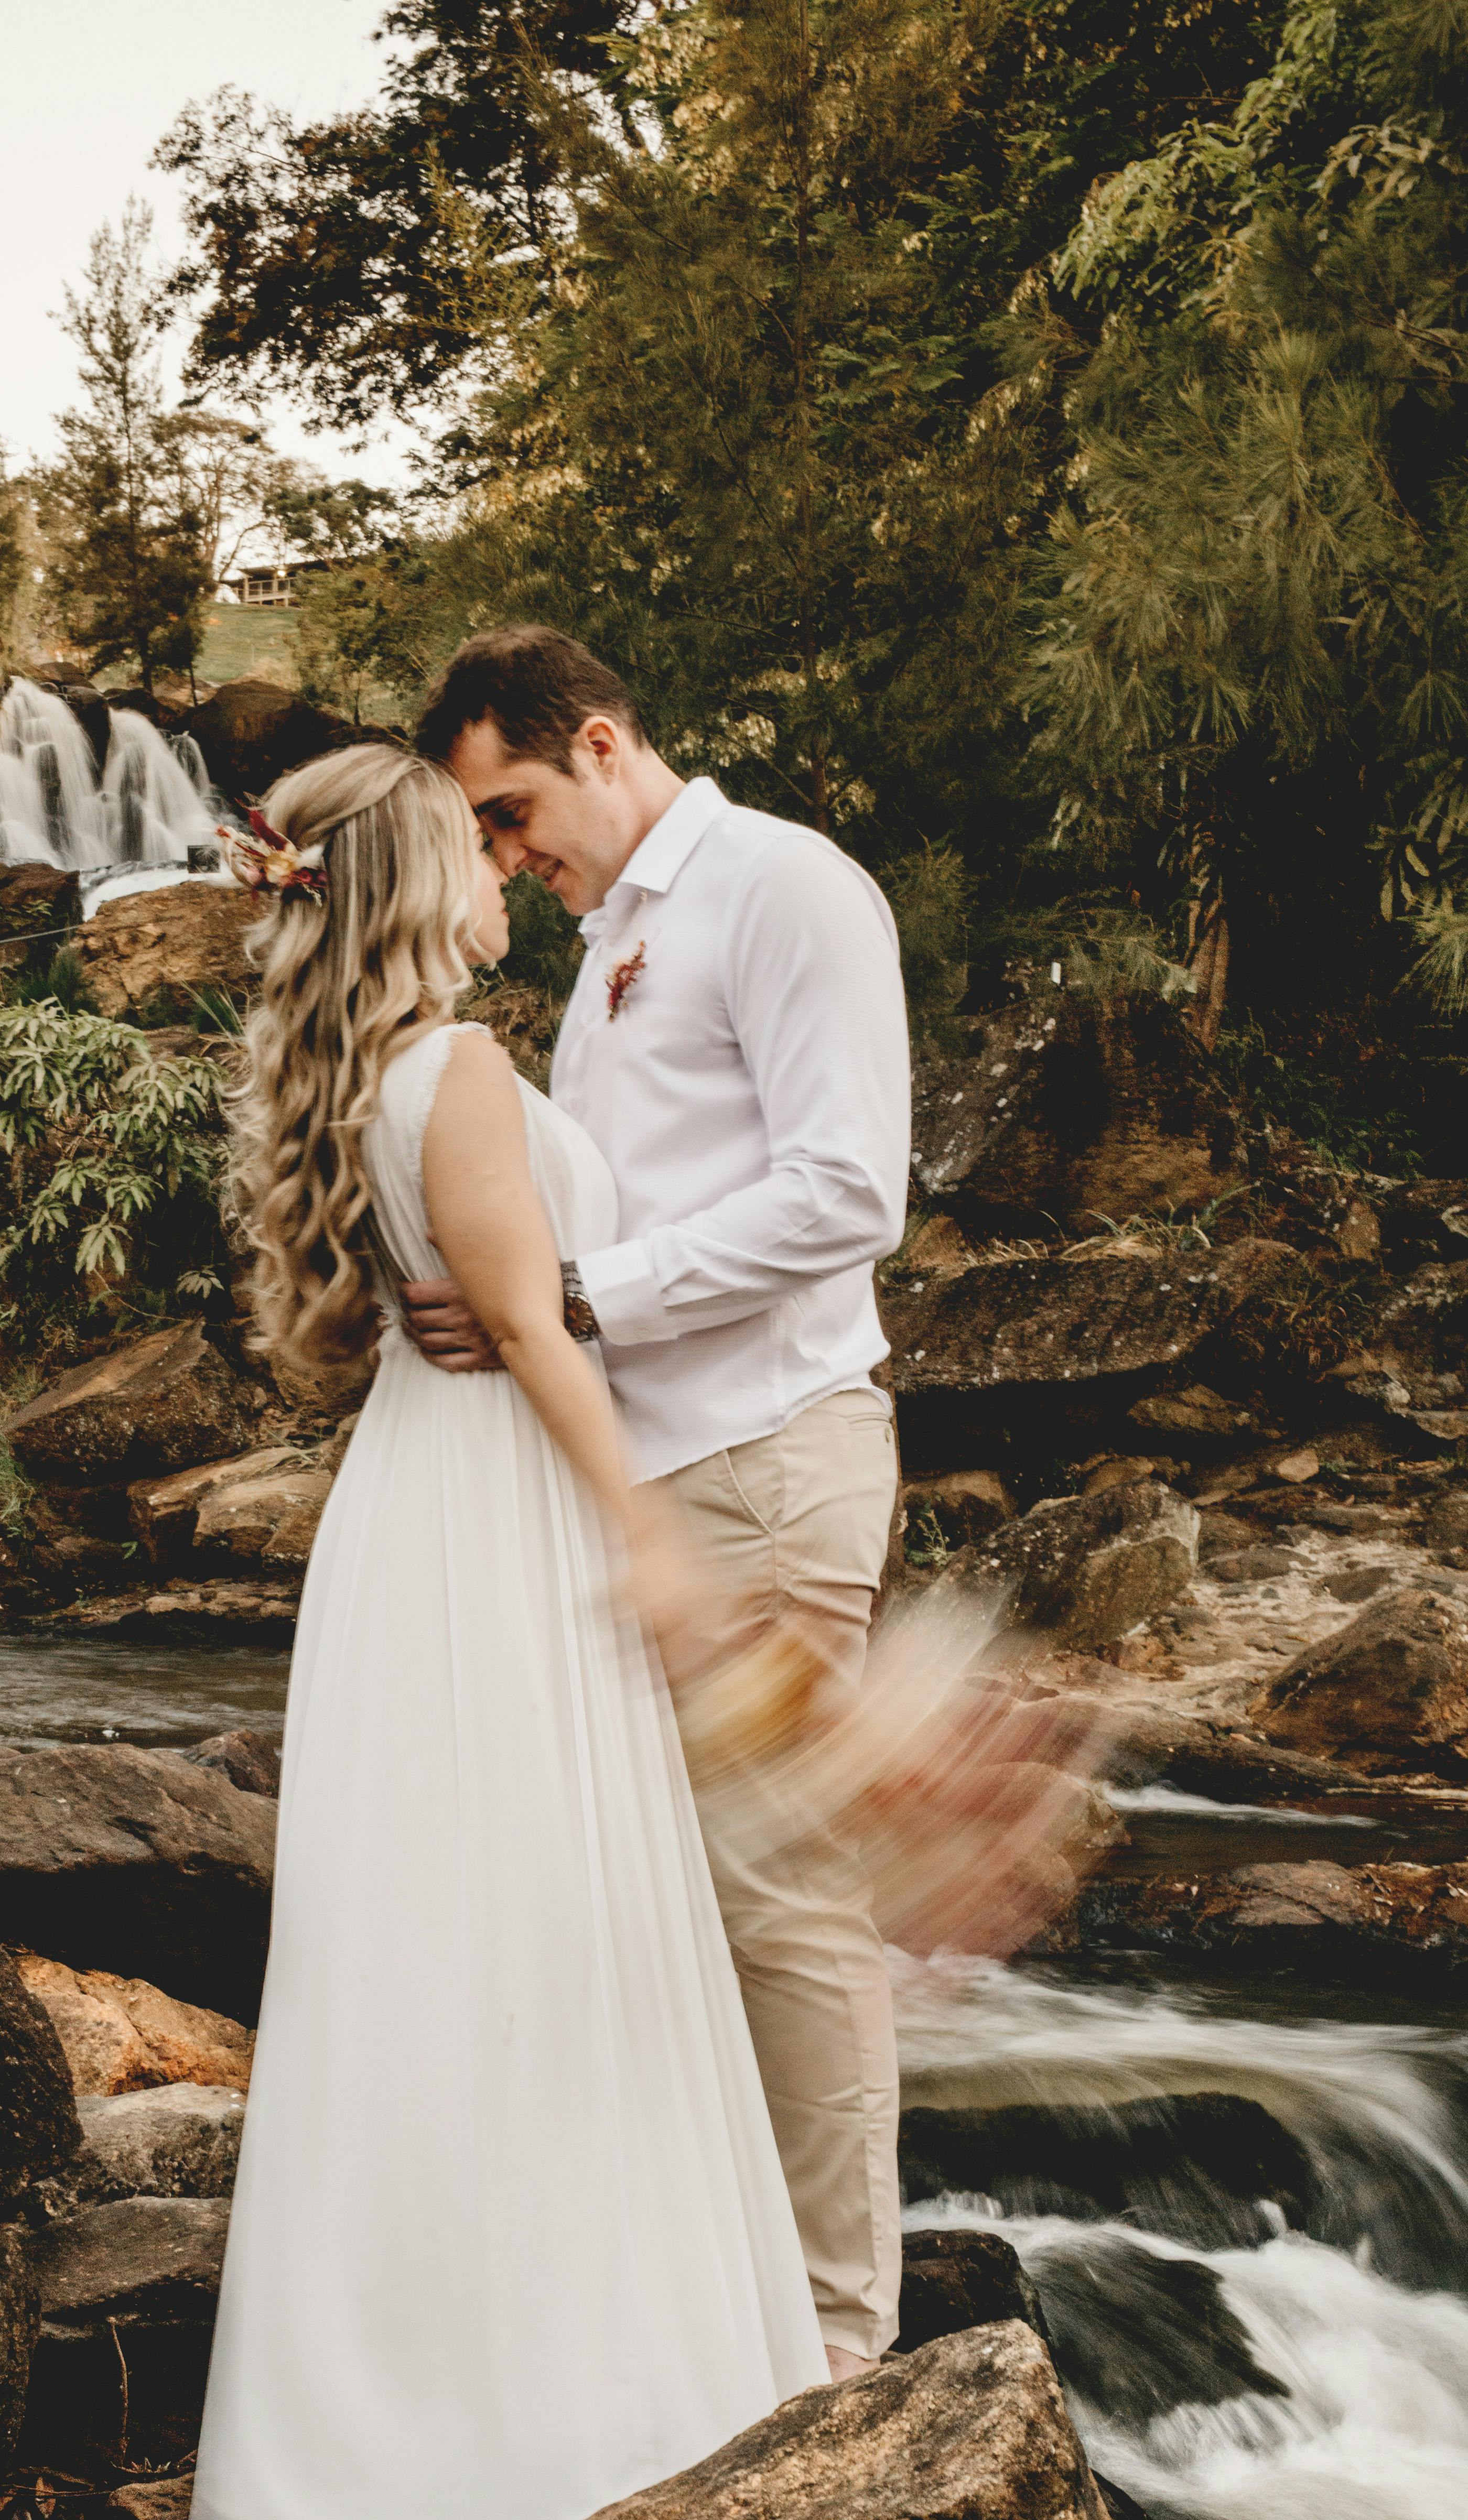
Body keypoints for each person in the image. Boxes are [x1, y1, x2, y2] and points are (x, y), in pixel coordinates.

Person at [181, 742, 826, 2520]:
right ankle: (540, 2444)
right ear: (408, 880)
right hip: (503, 1517)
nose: (497, 865)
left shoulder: (389, 1074)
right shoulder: (452, 1069)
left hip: (423, 1514)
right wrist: (649, 1535)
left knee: (446, 1961)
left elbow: (505, 1292)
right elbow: (533, 1327)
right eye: (473, 842)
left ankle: (409, 2435)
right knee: (540, 1948)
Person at [406, 626, 911, 2384]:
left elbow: (852, 1191)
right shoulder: (610, 938)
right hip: (648, 1484)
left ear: (606, 741)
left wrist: (576, 1295)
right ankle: (718, 2312)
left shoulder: (785, 886)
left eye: (517, 810)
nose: (509, 856)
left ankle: (842, 2354)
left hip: (771, 1459)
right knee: (660, 1905)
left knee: (783, 1903)